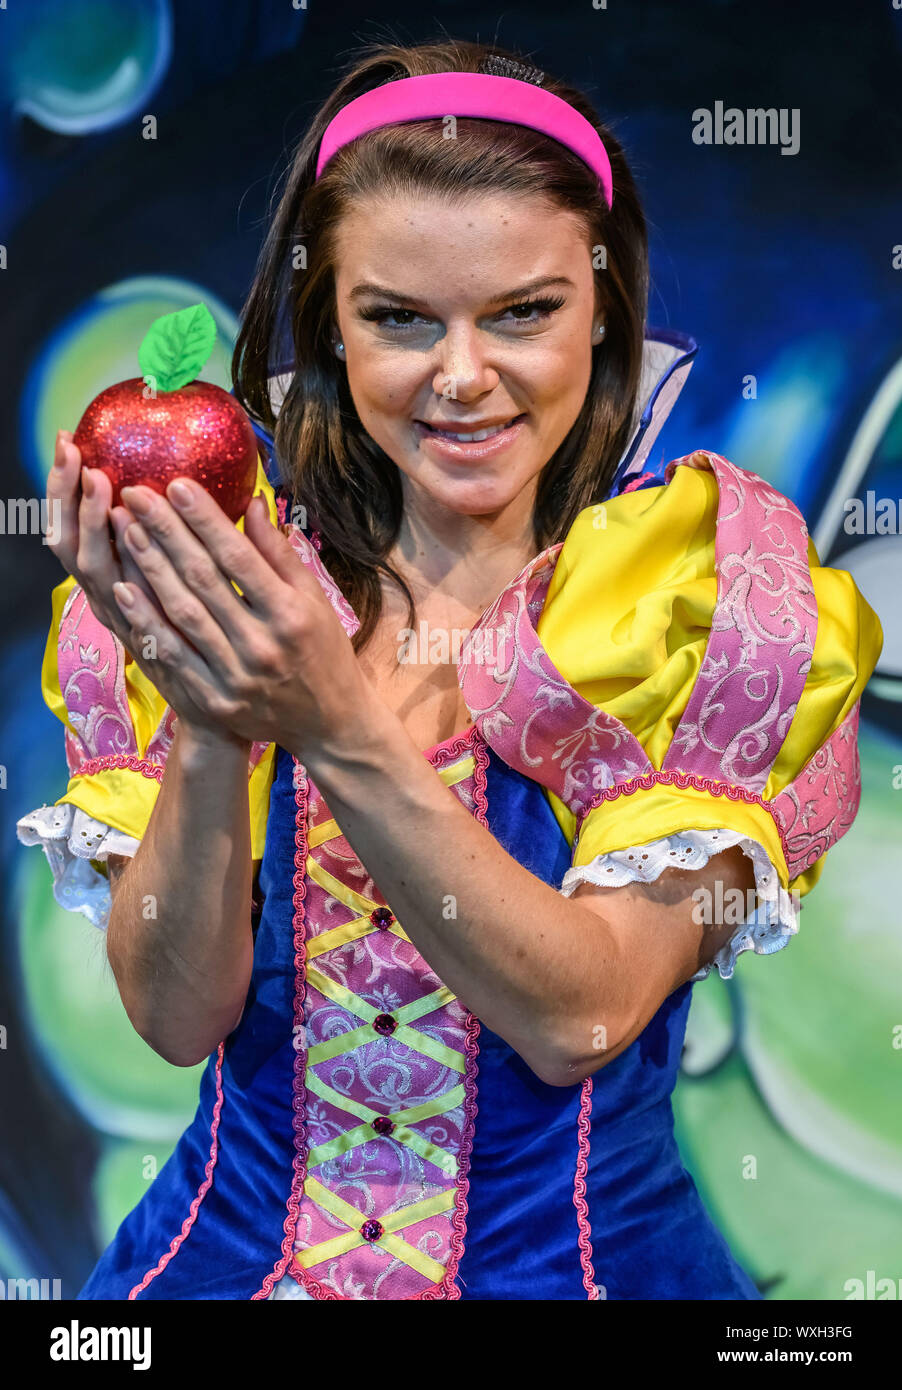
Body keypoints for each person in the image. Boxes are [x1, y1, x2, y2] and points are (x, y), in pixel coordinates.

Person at [17, 39, 883, 1301]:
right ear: (329, 324)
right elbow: (174, 1017)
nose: (462, 376)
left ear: (604, 308)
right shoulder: (239, 582)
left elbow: (579, 1017)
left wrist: (333, 726)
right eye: (398, 319)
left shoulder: (696, 602)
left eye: (523, 312)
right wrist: (209, 710)